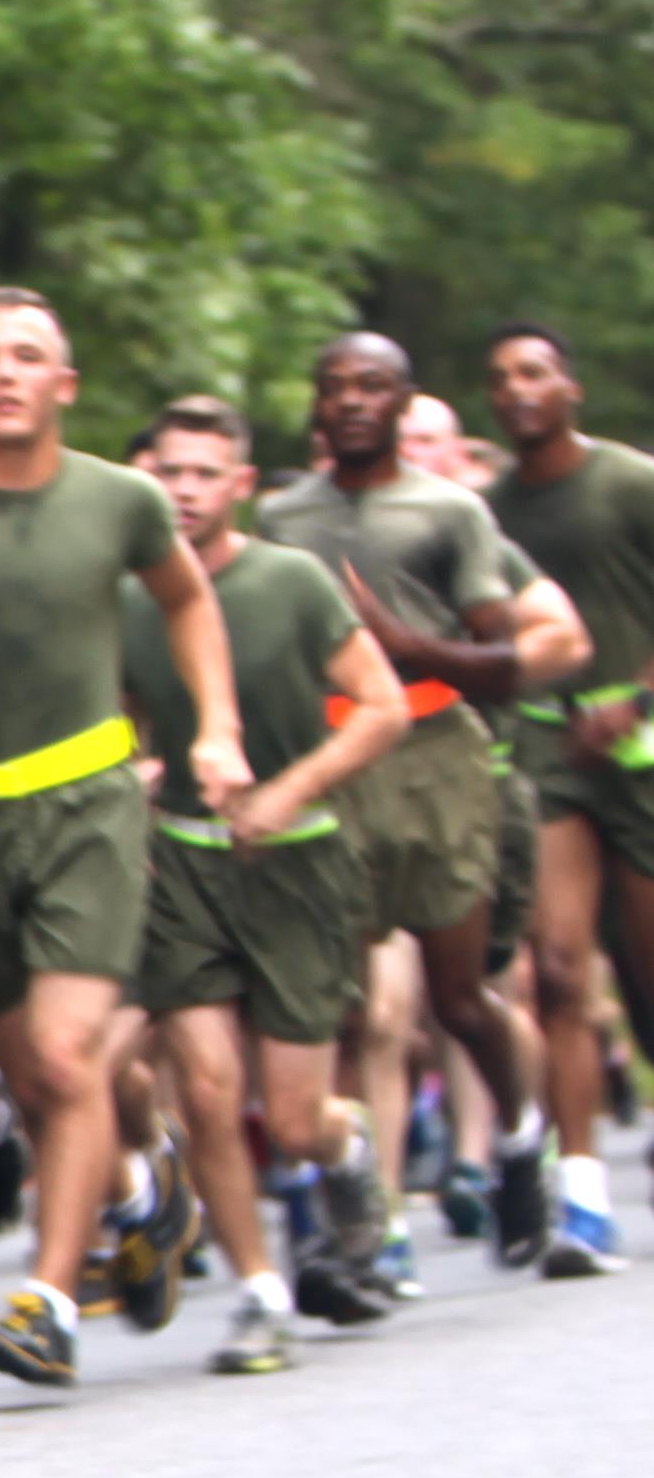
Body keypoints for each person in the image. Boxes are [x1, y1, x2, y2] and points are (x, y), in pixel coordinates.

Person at [0, 288, 235, 1391]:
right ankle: (143, 1191)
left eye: (27, 356)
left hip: (88, 799)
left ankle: (45, 1302)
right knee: (29, 1073)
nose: (4, 373)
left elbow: (187, 602)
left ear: (64, 385)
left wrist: (217, 728)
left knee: (59, 1054)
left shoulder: (123, 499)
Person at [258, 332, 583, 1271]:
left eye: (373, 386)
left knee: (460, 994)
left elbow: (501, 660)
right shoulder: (283, 518)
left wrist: (410, 645)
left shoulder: (447, 511)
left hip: (437, 754)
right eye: (335, 388)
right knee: (349, 1006)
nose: (353, 401)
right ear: (316, 409)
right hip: (328, 753)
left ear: (404, 403)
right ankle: (358, 1214)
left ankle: (522, 1139)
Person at [122, 399, 412, 1366]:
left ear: (240, 485)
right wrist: (134, 769)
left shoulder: (290, 582)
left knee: (291, 1119)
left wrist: (290, 789)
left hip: (296, 861)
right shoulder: (132, 595)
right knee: (207, 1091)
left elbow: (381, 708)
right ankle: (258, 1292)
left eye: (207, 473)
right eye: (171, 471)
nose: (187, 490)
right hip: (183, 863)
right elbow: (121, 721)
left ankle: (346, 1145)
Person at [481, 324, 654, 1272]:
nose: (517, 391)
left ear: (570, 388)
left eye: (534, 372)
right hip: (548, 751)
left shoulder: (629, 482)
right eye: (500, 378)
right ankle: (581, 1194)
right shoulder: (486, 510)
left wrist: (639, 690)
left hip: (641, 745)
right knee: (556, 967)